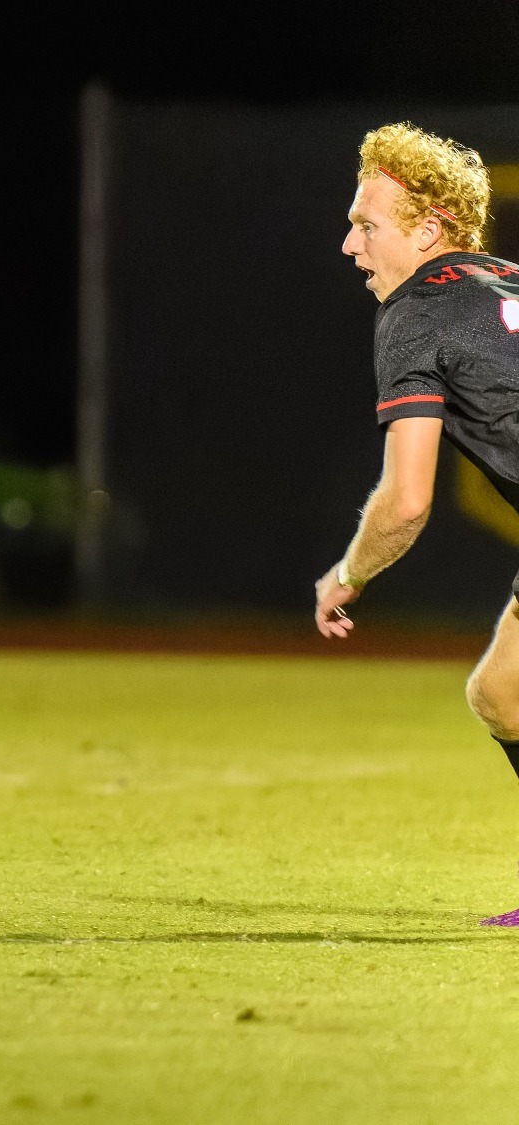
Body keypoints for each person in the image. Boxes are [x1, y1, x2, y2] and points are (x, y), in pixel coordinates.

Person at [313, 122, 519, 925]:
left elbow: (405, 502)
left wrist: (346, 577)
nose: (348, 244)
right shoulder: (506, 278)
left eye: (368, 224)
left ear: (429, 230)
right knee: (503, 693)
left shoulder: (415, 316)